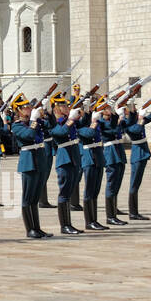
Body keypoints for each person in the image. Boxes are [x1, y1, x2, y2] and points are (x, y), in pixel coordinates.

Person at [11, 94, 53, 239]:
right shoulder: (16, 125)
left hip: (40, 159)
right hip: (28, 161)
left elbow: (52, 126)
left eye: (29, 107)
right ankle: (30, 229)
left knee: (35, 197)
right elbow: (28, 135)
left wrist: (48, 111)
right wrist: (35, 120)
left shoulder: (36, 121)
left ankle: (37, 228)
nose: (29, 109)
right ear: (18, 111)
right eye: (25, 107)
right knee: (28, 197)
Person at [50, 94, 83, 235]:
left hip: (74, 157)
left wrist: (85, 111)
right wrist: (70, 119)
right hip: (64, 159)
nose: (66, 107)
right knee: (64, 193)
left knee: (69, 192)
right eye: (63, 106)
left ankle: (69, 224)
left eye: (66, 105)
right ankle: (64, 225)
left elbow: (84, 123)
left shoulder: (67, 120)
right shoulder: (53, 122)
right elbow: (61, 132)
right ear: (56, 108)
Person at [122, 95, 151, 220]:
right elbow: (137, 130)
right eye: (132, 108)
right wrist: (141, 119)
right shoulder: (127, 124)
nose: (135, 110)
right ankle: (133, 212)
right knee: (134, 184)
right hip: (137, 154)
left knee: (137, 184)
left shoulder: (136, 120)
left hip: (143, 153)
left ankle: (135, 212)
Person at [77, 98, 110, 231]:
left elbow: (111, 125)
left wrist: (111, 112)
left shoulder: (96, 123)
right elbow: (89, 133)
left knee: (95, 191)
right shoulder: (79, 127)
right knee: (89, 191)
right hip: (89, 158)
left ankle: (94, 220)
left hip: (98, 157)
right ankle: (89, 221)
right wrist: (93, 121)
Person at [101, 95, 131, 226]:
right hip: (110, 153)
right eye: (107, 108)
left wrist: (131, 110)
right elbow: (113, 130)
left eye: (109, 107)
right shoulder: (102, 122)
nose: (109, 109)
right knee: (111, 184)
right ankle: (110, 216)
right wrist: (117, 119)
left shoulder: (113, 119)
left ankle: (114, 211)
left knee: (117, 184)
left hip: (118, 152)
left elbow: (128, 124)